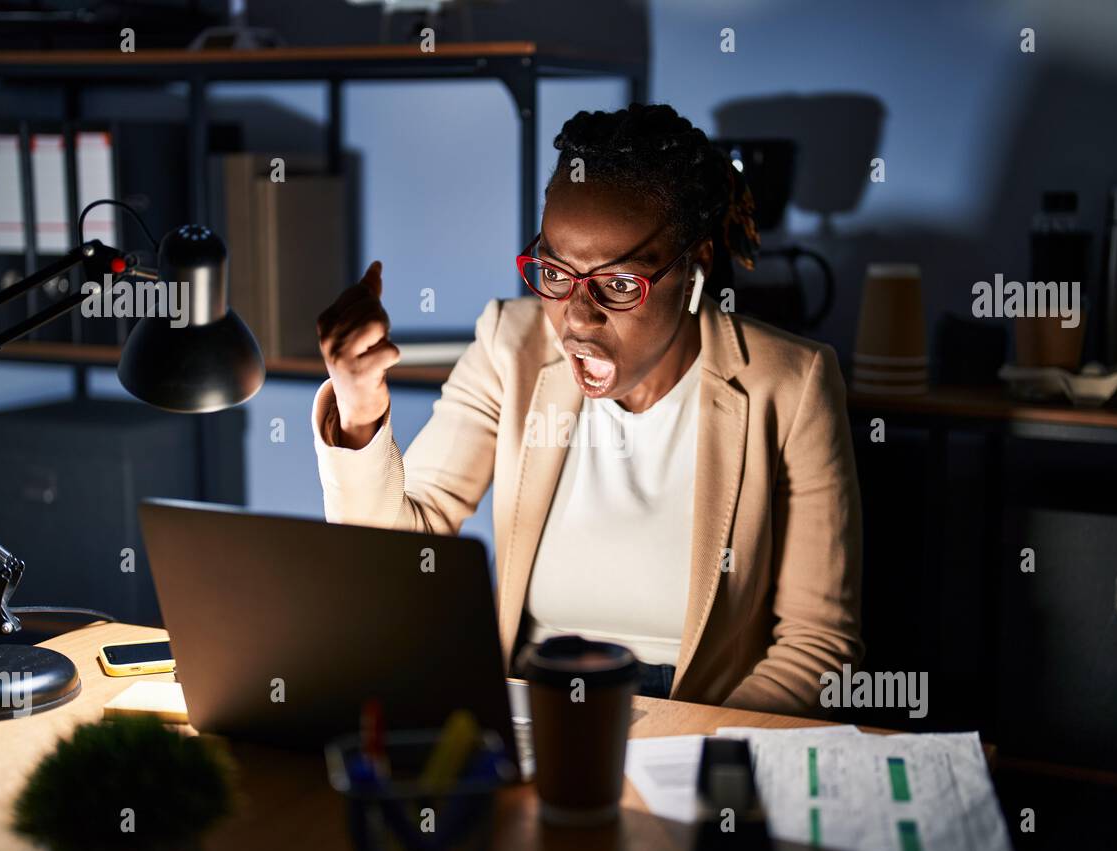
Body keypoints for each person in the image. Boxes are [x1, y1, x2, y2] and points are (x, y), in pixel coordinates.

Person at [312, 102, 862, 715]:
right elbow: (398, 550)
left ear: (696, 267)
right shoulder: (510, 345)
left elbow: (817, 645)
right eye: (555, 271)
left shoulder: (791, 384)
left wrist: (685, 752)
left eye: (620, 283)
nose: (576, 317)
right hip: (531, 702)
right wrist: (359, 409)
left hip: (699, 717)